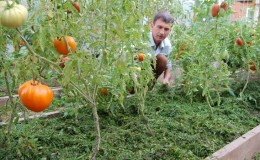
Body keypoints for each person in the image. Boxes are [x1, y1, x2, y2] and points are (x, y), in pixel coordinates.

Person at [148, 11, 174, 86]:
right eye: (159, 27)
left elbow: (169, 65)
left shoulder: (167, 45)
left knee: (162, 59)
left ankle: (148, 86)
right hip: (134, 74)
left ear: (170, 31)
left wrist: (166, 79)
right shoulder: (142, 41)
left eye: (166, 29)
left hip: (148, 77)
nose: (162, 32)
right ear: (152, 26)